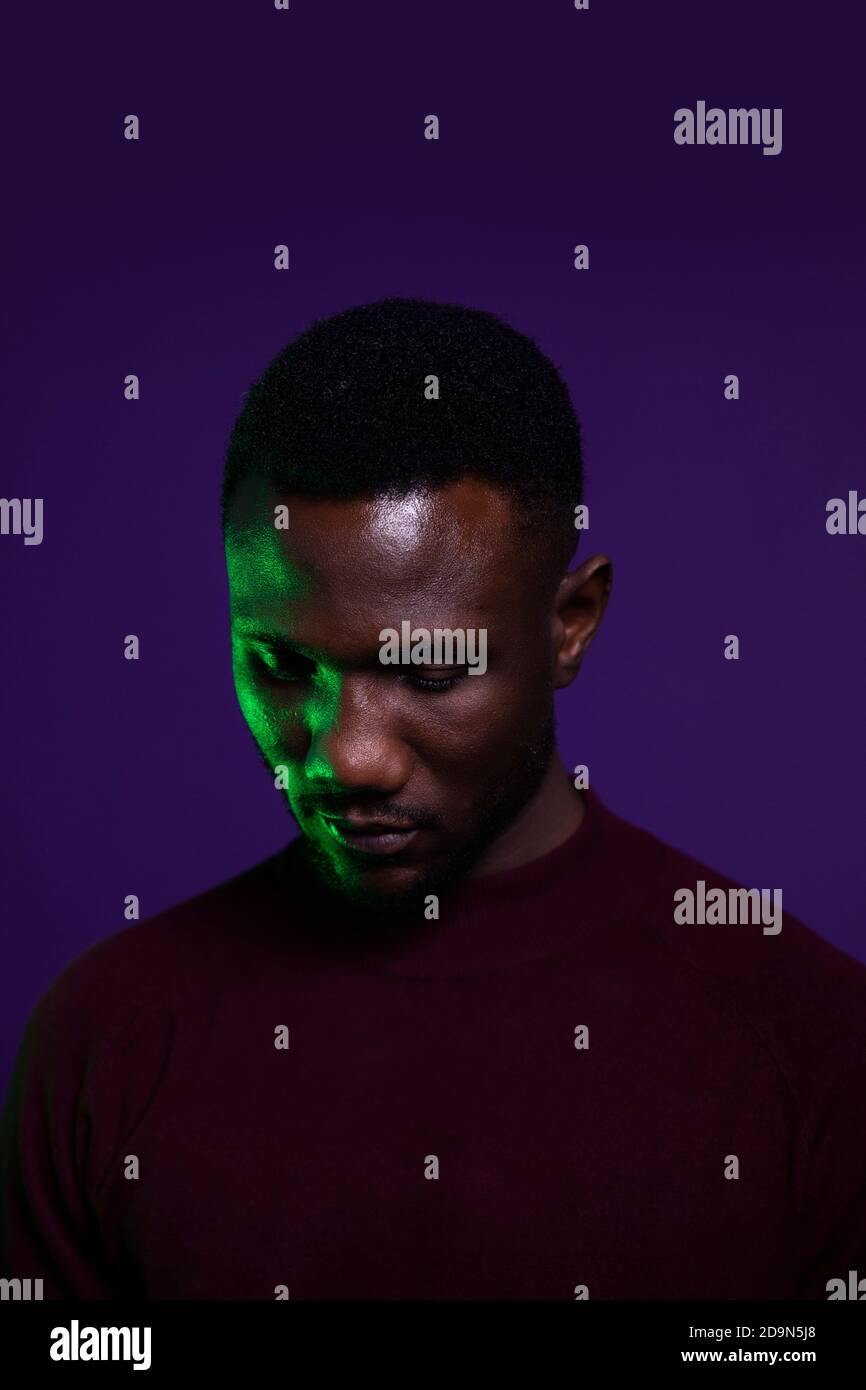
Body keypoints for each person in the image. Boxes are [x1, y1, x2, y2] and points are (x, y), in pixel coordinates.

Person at [2, 297, 865, 1300]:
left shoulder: (812, 1046)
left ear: (571, 624)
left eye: (426, 672)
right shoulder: (108, 1039)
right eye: (280, 664)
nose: (344, 757)